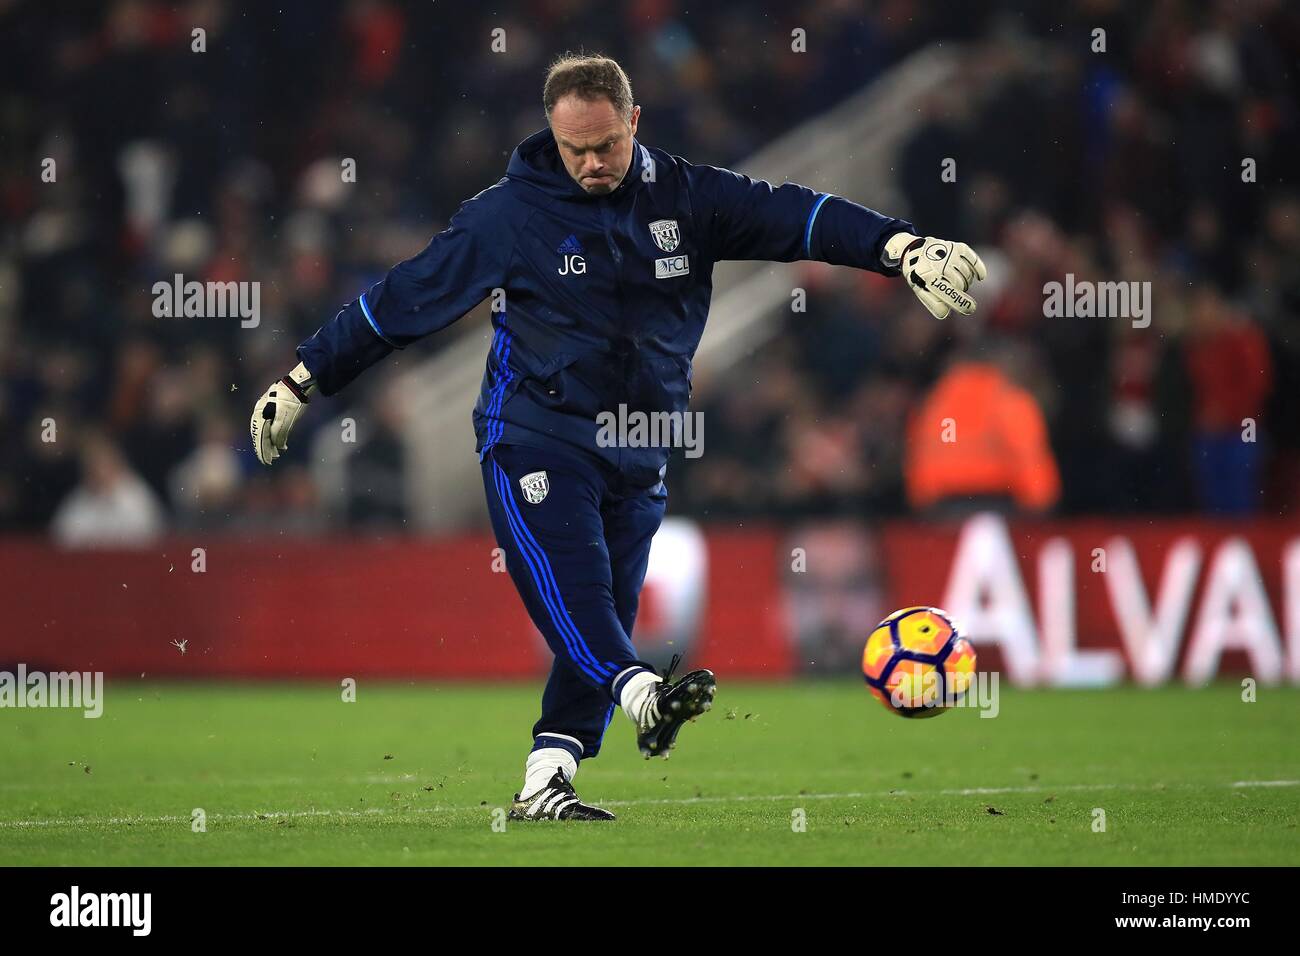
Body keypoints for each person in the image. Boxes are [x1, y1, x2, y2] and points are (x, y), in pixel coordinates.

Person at [249, 53, 986, 821]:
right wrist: (302, 379)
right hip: (533, 432)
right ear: (552, 135)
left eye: (606, 144)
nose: (593, 163)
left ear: (634, 122)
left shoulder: (691, 197)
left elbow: (797, 216)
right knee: (576, 589)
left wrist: (900, 249)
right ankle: (640, 694)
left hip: (641, 442)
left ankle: (547, 777)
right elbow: (404, 299)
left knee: (606, 608)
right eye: (575, 150)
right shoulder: (509, 216)